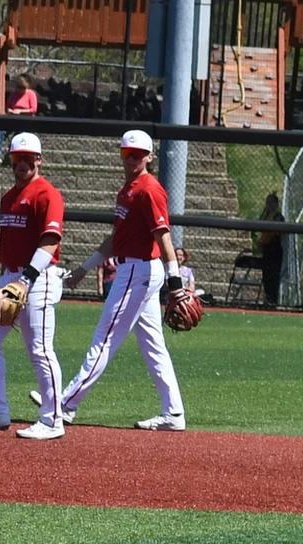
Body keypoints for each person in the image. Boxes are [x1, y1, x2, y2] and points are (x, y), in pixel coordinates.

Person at [48, 129, 188, 432]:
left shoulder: (149, 189)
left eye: (137, 154)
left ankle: (64, 403)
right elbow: (116, 240)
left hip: (139, 270)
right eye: (127, 153)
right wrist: (85, 269)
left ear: (149, 156)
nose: (131, 158)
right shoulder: (127, 190)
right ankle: (174, 413)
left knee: (105, 338)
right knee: (153, 345)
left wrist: (175, 282)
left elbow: (164, 238)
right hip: (134, 269)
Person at [0, 132, 67, 439]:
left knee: (39, 349)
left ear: (38, 160)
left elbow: (50, 241)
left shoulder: (47, 194)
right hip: (10, 276)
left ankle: (53, 419)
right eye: (16, 159)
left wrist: (26, 279)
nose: (21, 164)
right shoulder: (8, 198)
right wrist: (1, 283)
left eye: (27, 158)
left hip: (38, 277)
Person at [0, 75, 39, 163]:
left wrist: (20, 111)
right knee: (1, 131)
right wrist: (10, 110)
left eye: (23, 87)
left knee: (18, 135)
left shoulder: (31, 94)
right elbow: (8, 106)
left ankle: (10, 156)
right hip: (12, 119)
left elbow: (33, 109)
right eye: (18, 87)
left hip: (25, 121)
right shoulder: (14, 94)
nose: (20, 90)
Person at [257, 192, 285, 306]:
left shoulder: (278, 217)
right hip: (266, 250)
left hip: (275, 250)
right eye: (267, 203)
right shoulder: (265, 215)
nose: (268, 205)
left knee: (273, 275)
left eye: (271, 202)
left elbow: (279, 233)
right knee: (266, 276)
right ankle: (267, 298)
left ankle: (273, 300)